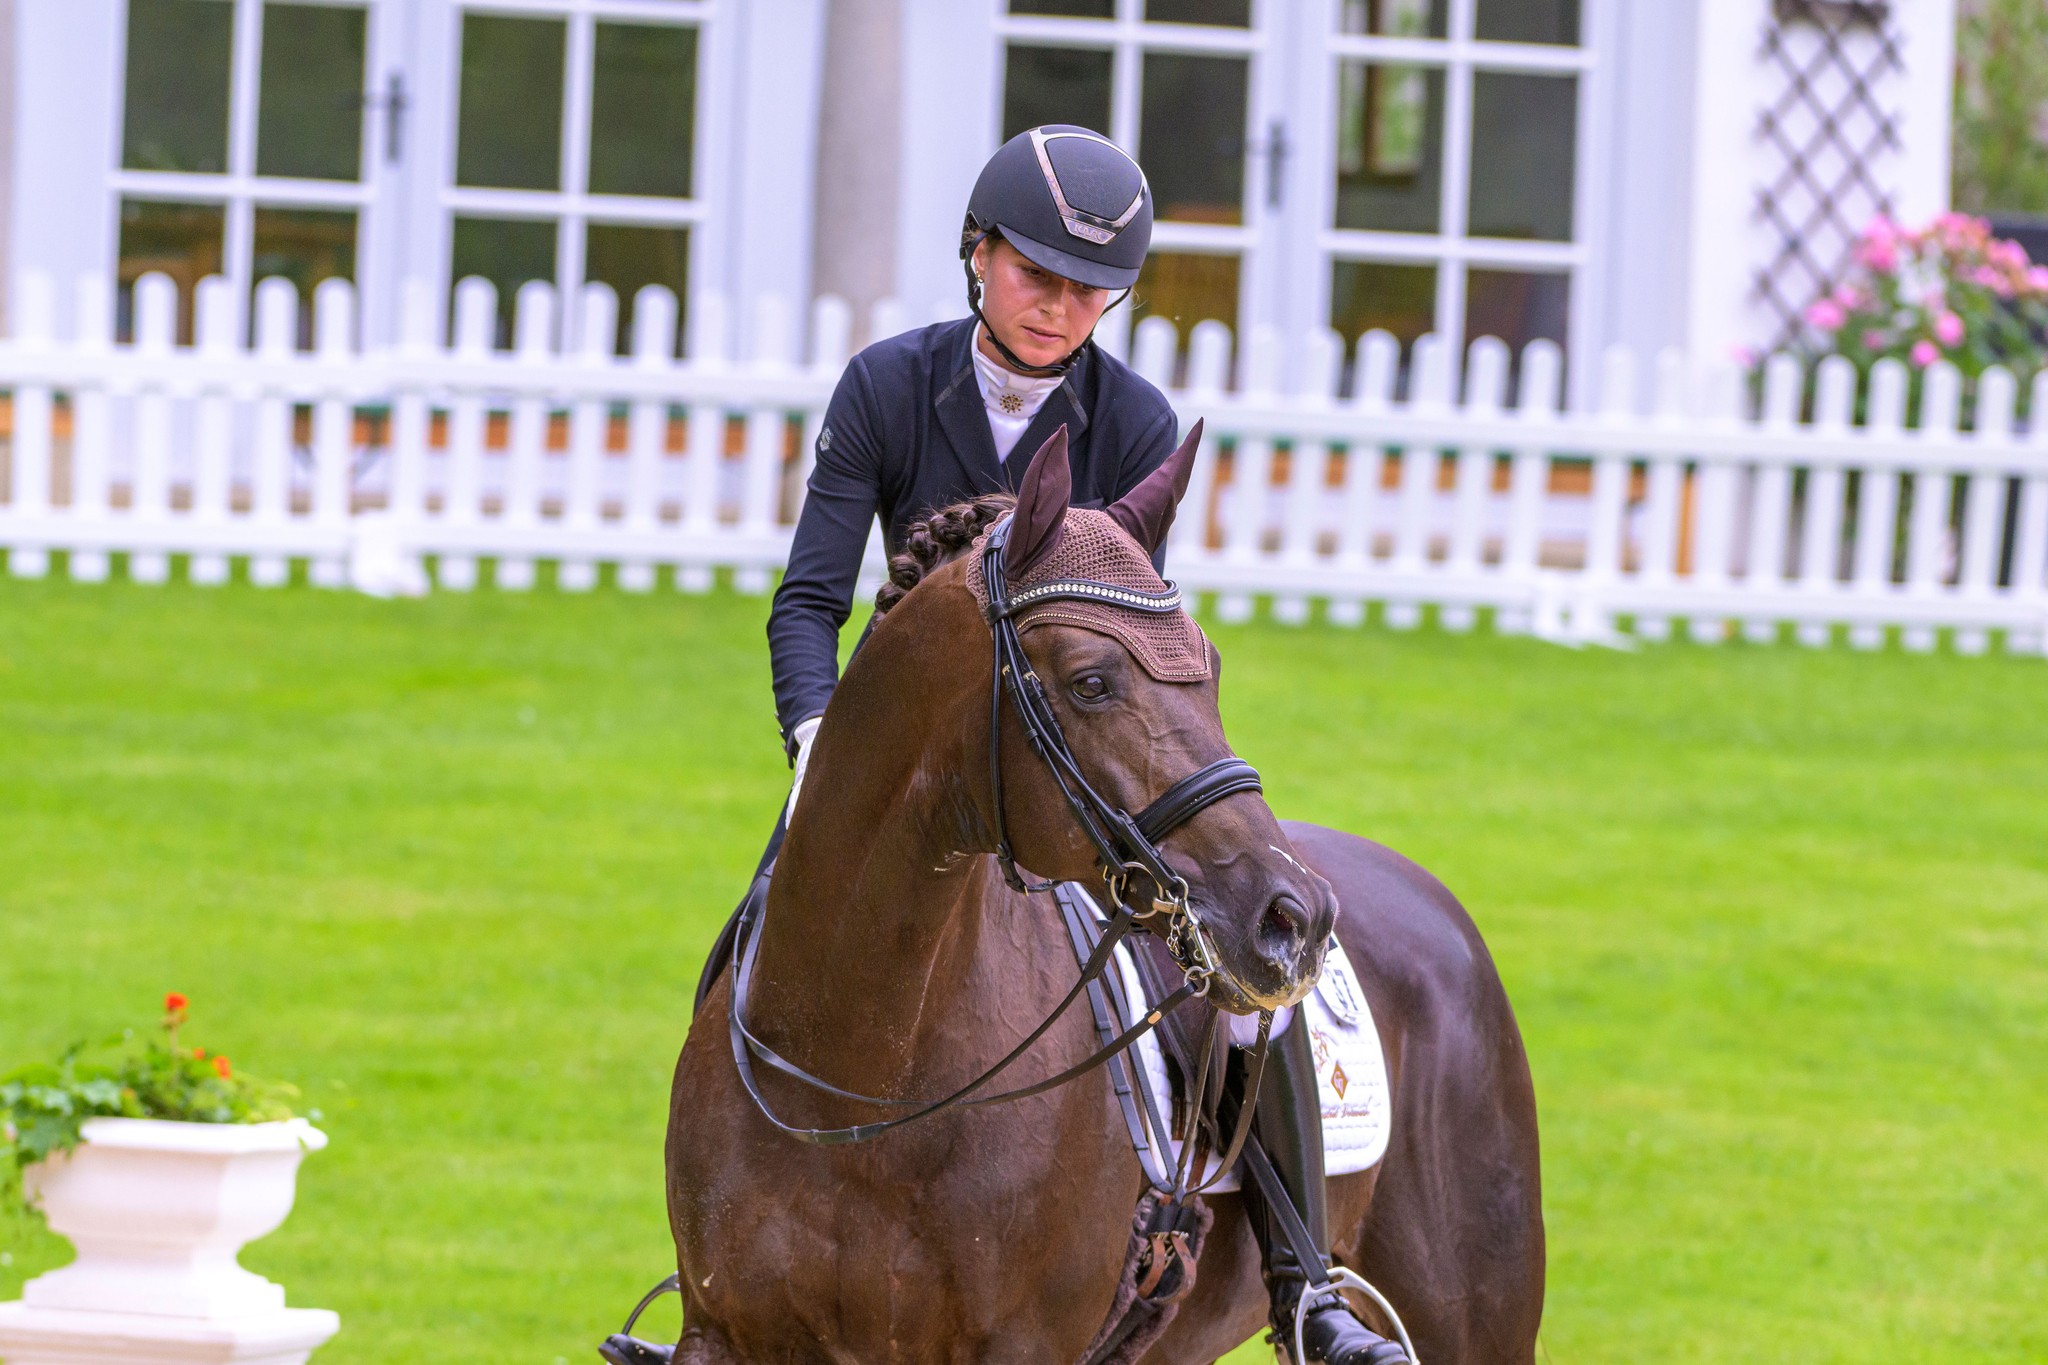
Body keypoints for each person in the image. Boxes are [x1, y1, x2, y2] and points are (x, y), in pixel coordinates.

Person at [605, 126, 1406, 1365]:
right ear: (977, 254)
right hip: (897, 770)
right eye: (1038, 274)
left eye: (1091, 290)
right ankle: (724, 1274)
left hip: (1054, 766)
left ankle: (1304, 1284)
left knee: (1234, 984)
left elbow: (1125, 646)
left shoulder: (1129, 419)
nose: (1059, 308)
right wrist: (818, 748)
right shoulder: (886, 387)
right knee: (748, 958)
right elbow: (808, 601)